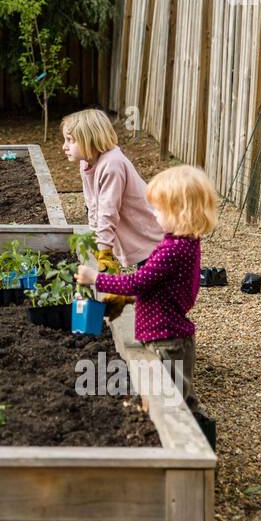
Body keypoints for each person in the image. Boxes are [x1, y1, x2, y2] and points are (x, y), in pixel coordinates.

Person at [74, 165, 217, 414]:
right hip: (170, 335)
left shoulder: (171, 251)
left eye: (159, 209)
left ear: (179, 212)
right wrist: (132, 298)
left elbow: (137, 282)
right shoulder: (186, 243)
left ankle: (189, 449)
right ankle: (199, 438)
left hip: (166, 340)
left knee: (172, 406)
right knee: (184, 400)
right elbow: (160, 286)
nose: (154, 213)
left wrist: (95, 278)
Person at [61, 108, 165, 317]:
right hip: (137, 233)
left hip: (151, 234)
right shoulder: (87, 163)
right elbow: (93, 205)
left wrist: (105, 251)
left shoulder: (112, 165)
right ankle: (132, 299)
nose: (64, 147)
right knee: (147, 286)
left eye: (70, 140)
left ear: (90, 139)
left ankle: (161, 336)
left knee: (154, 291)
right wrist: (96, 241)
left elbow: (108, 210)